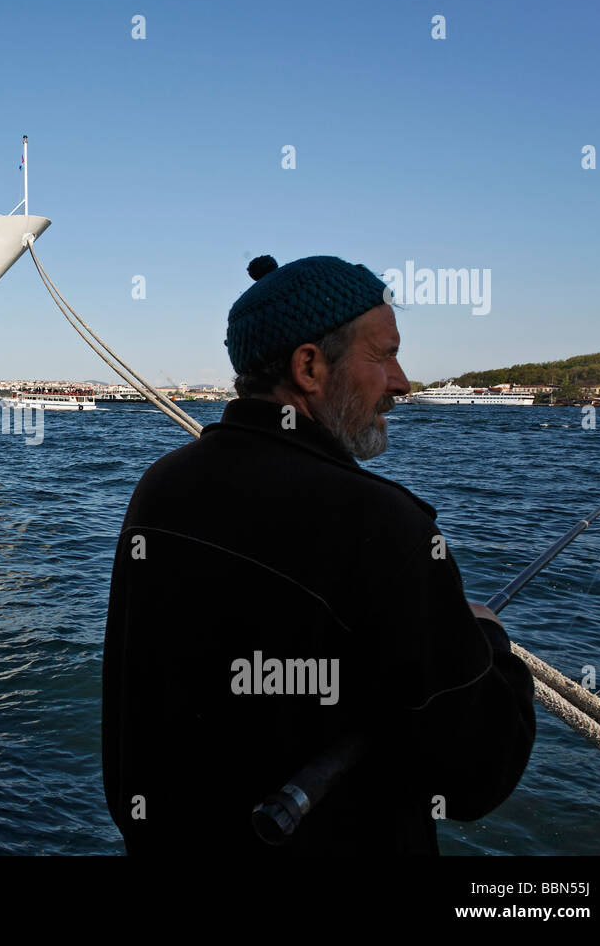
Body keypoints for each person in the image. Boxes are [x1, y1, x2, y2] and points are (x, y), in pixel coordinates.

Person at [102, 254, 535, 855]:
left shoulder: (160, 488)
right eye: (382, 355)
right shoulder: (385, 527)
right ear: (309, 366)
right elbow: (477, 775)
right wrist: (490, 643)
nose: (403, 381)